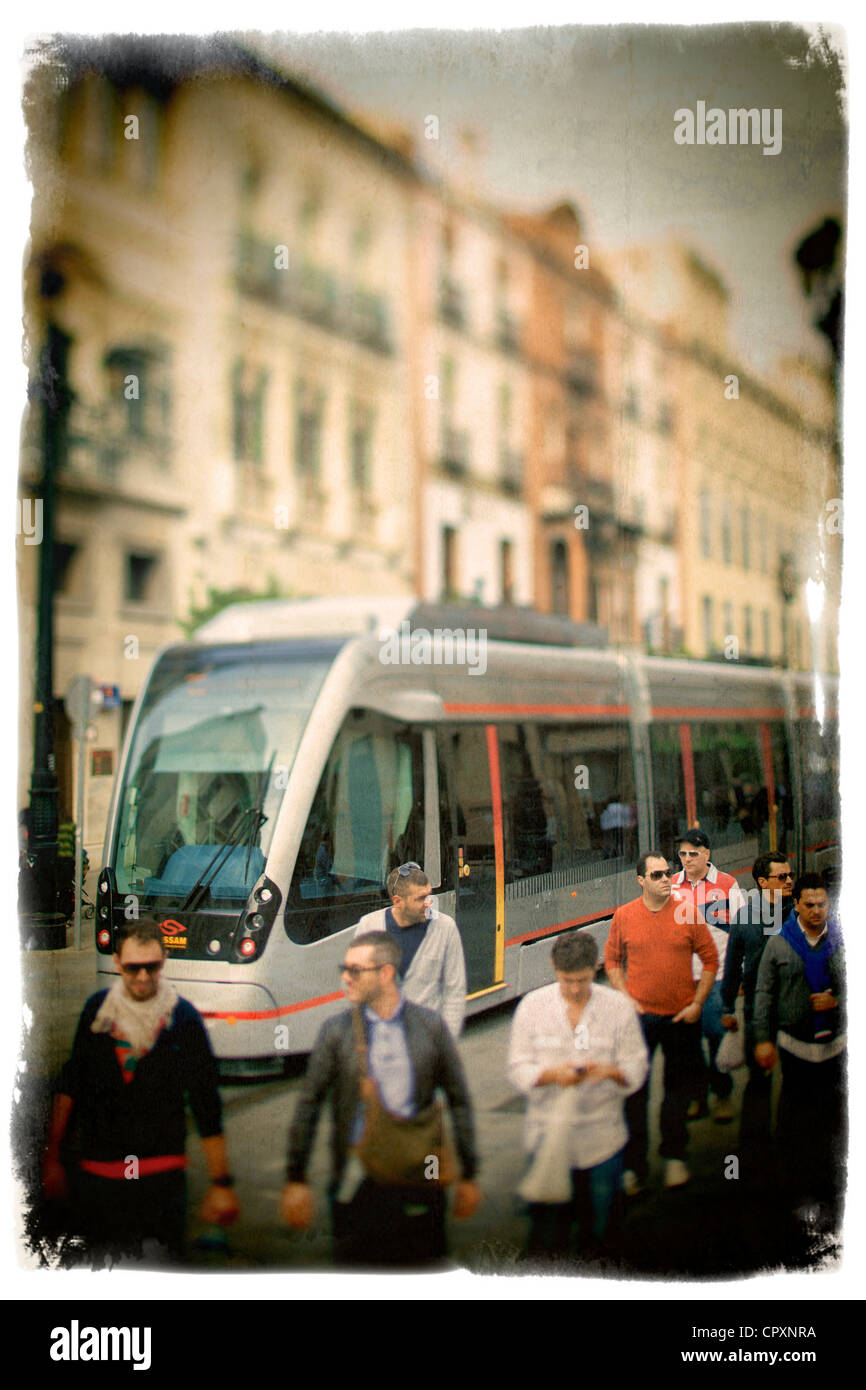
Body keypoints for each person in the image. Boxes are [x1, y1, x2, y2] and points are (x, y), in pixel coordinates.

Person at [41, 918, 239, 1263]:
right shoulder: (95, 1013)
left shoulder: (185, 1020)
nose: (144, 977)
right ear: (117, 962)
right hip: (98, 1180)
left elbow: (207, 1104)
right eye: (134, 968)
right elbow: (71, 1085)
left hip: (160, 1182)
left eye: (152, 967)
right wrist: (53, 1159)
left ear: (163, 960)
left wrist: (221, 1184)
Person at [281, 930, 481, 1266]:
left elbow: (458, 1099)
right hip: (357, 1178)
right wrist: (295, 1179)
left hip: (424, 1171)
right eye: (344, 969)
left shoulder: (429, 1026)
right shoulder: (336, 1031)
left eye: (356, 970)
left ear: (386, 974)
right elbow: (308, 1105)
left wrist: (469, 1175)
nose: (346, 977)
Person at [507, 930, 648, 1260]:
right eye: (566, 980)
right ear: (554, 970)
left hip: (602, 1142)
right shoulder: (532, 1007)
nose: (573, 989)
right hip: (547, 1138)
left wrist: (611, 1072)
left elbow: (637, 1066)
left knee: (602, 1237)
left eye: (582, 980)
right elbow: (518, 1067)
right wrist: (550, 1076)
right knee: (546, 1239)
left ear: (595, 969)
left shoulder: (618, 1009)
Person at [604, 851, 718, 1192]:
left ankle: (674, 1157)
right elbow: (611, 959)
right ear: (641, 881)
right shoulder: (624, 916)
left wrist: (698, 1003)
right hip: (639, 1020)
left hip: (682, 1017)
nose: (667, 878)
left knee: (676, 1092)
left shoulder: (687, 913)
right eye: (657, 875)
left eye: (669, 872)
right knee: (635, 1093)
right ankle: (633, 1167)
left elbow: (710, 960)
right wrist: (624, 995)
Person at [753, 872, 845, 1219]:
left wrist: (838, 1004)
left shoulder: (844, 939)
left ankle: (833, 1193)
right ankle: (795, 1192)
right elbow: (763, 994)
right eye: (810, 904)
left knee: (832, 1123)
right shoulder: (778, 943)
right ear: (796, 905)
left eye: (823, 904)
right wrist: (762, 1040)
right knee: (795, 1124)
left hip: (836, 1049)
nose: (818, 910)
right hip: (794, 1049)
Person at [720, 852, 793, 1173]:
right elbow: (732, 965)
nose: (790, 881)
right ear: (763, 883)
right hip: (757, 1009)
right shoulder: (748, 919)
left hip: (791, 1005)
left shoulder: (798, 912)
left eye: (790, 876)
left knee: (792, 1078)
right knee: (759, 1078)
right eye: (782, 877)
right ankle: (754, 1147)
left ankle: (783, 1142)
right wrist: (726, 1007)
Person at [354, 862, 467, 1037]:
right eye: (420, 898)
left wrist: (446, 1044)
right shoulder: (368, 927)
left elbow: (455, 991)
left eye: (429, 895)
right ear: (398, 902)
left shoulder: (445, 928)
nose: (429, 903)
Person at [687, 918, 734, 1123]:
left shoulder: (727, 885)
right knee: (688, 1041)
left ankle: (722, 1093)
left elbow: (740, 928)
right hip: (683, 977)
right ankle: (698, 1096)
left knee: (716, 1033)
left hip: (718, 975)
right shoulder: (670, 889)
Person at [671, 829, 746, 926]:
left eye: (693, 854)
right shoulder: (670, 883)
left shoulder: (728, 883)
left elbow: (742, 925)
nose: (687, 859)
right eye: (683, 854)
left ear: (707, 854)